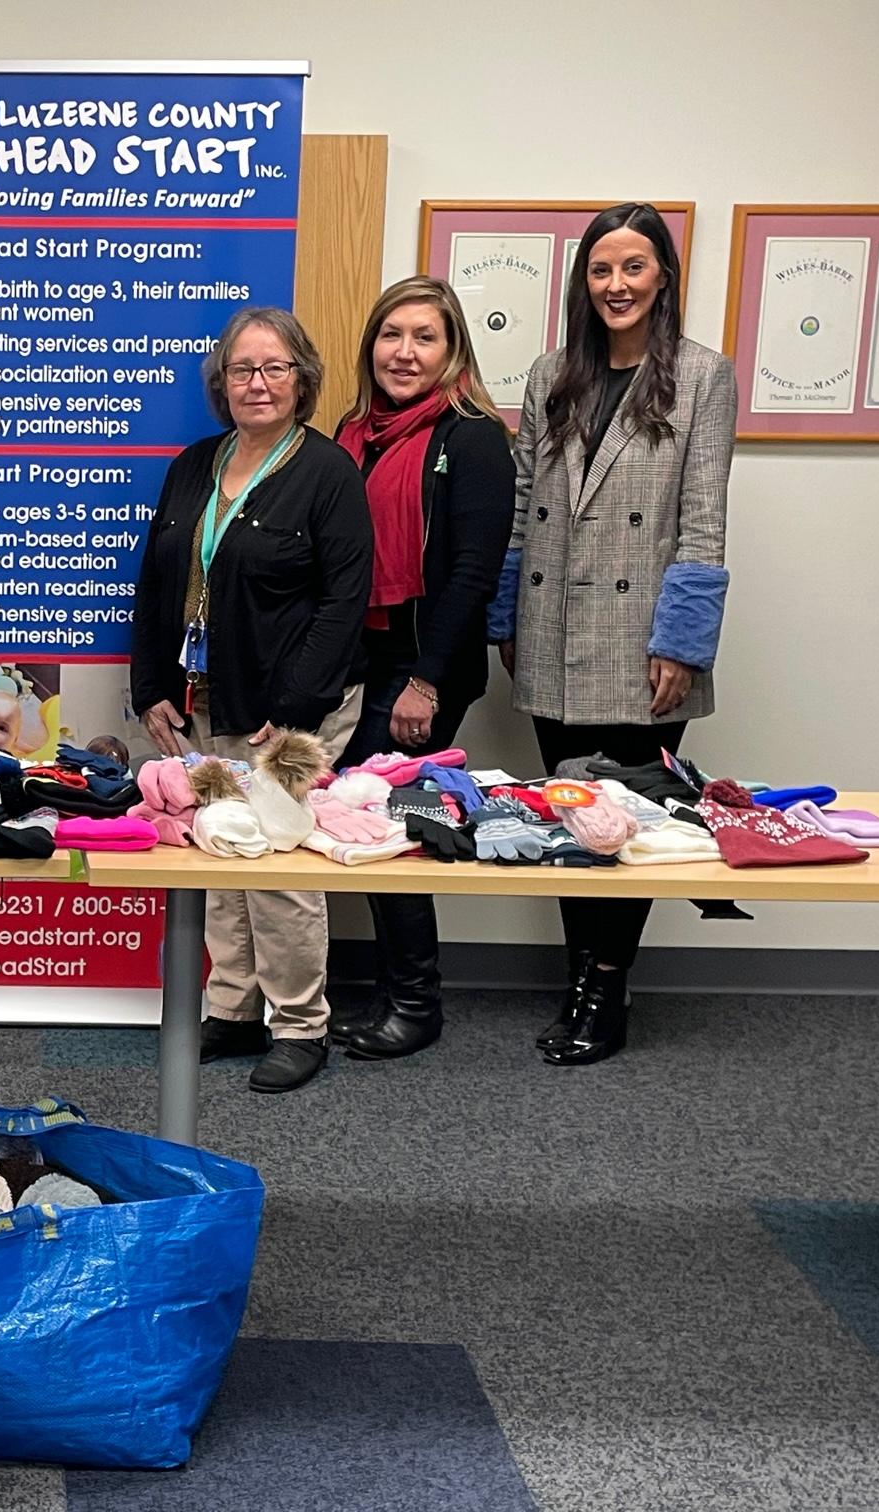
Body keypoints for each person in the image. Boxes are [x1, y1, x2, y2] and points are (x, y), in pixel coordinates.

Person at [490, 202, 736, 1066]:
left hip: (644, 638)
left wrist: (682, 640)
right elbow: (523, 506)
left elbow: (704, 521)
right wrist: (505, 616)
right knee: (569, 813)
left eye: (633, 267)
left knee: (627, 819)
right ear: (582, 281)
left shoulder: (704, 376)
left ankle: (607, 986)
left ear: (663, 275)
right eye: (601, 269)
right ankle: (578, 976)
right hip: (552, 629)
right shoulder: (550, 371)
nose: (617, 285)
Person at [130, 307, 373, 1093]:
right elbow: (157, 584)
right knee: (217, 853)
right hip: (205, 701)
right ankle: (232, 1010)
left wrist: (297, 703)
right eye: (242, 369)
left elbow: (345, 601)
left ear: (302, 379)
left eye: (274, 368)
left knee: (281, 869)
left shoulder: (328, 473)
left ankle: (302, 1024)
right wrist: (152, 689)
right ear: (221, 382)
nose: (257, 384)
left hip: (289, 717)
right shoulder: (195, 463)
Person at [329, 277, 514, 1061]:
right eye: (391, 335)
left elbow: (474, 571)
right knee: (367, 822)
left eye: (424, 337)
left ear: (452, 349)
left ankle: (415, 1001)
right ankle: (389, 990)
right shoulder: (352, 431)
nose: (404, 352)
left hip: (423, 663)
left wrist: (427, 681)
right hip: (361, 656)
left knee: (397, 825)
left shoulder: (472, 437)